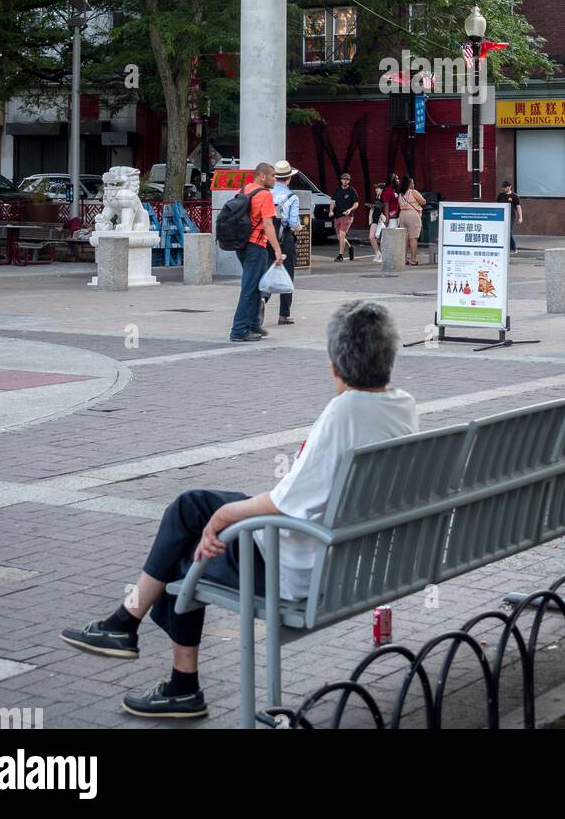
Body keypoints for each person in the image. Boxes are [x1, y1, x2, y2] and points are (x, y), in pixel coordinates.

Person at [60, 300, 418, 720]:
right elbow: (304, 494)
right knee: (191, 508)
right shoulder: (401, 404)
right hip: (359, 560)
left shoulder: (344, 413)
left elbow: (286, 501)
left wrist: (226, 516)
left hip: (304, 571)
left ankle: (168, 670)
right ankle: (128, 627)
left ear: (335, 363)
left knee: (186, 552)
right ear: (388, 357)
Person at [229, 162, 284, 342]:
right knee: (250, 288)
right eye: (273, 175)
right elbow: (268, 225)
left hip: (242, 245)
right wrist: (277, 249)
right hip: (256, 246)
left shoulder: (244, 190)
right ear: (263, 176)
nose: (275, 179)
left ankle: (253, 324)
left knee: (256, 287)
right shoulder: (264, 195)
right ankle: (239, 330)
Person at [271, 160, 301, 325]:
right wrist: (299, 227)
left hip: (268, 237)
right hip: (285, 237)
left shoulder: (267, 193)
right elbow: (293, 223)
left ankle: (263, 297)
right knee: (287, 273)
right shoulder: (292, 197)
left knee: (267, 269)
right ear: (289, 179)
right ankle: (284, 314)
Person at [329, 172, 359, 261]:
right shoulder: (337, 190)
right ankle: (350, 247)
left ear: (349, 181)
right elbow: (333, 201)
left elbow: (356, 203)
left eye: (347, 180)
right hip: (337, 216)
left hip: (347, 216)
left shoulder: (352, 190)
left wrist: (350, 209)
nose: (345, 181)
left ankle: (340, 255)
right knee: (339, 237)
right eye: (344, 179)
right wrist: (331, 210)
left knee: (342, 235)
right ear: (341, 180)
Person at [397, 175, 425, 266]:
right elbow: (423, 202)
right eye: (412, 182)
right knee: (413, 238)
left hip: (402, 215)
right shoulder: (413, 192)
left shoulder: (400, 194)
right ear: (409, 184)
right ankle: (413, 259)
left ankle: (403, 259)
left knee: (403, 239)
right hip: (412, 215)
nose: (414, 184)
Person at [496, 180, 523, 252]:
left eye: (505, 187)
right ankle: (504, 248)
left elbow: (518, 207)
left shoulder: (514, 196)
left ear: (509, 187)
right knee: (503, 232)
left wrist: (520, 217)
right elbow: (497, 206)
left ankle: (513, 248)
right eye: (503, 187)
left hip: (511, 217)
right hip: (502, 217)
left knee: (508, 232)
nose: (504, 188)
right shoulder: (500, 196)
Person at [368, 183, 385, 263]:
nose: (376, 190)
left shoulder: (384, 198)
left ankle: (383, 255)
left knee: (382, 239)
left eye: (377, 188)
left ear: (382, 189)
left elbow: (384, 208)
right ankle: (378, 253)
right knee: (371, 237)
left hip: (381, 220)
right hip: (374, 219)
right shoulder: (377, 197)